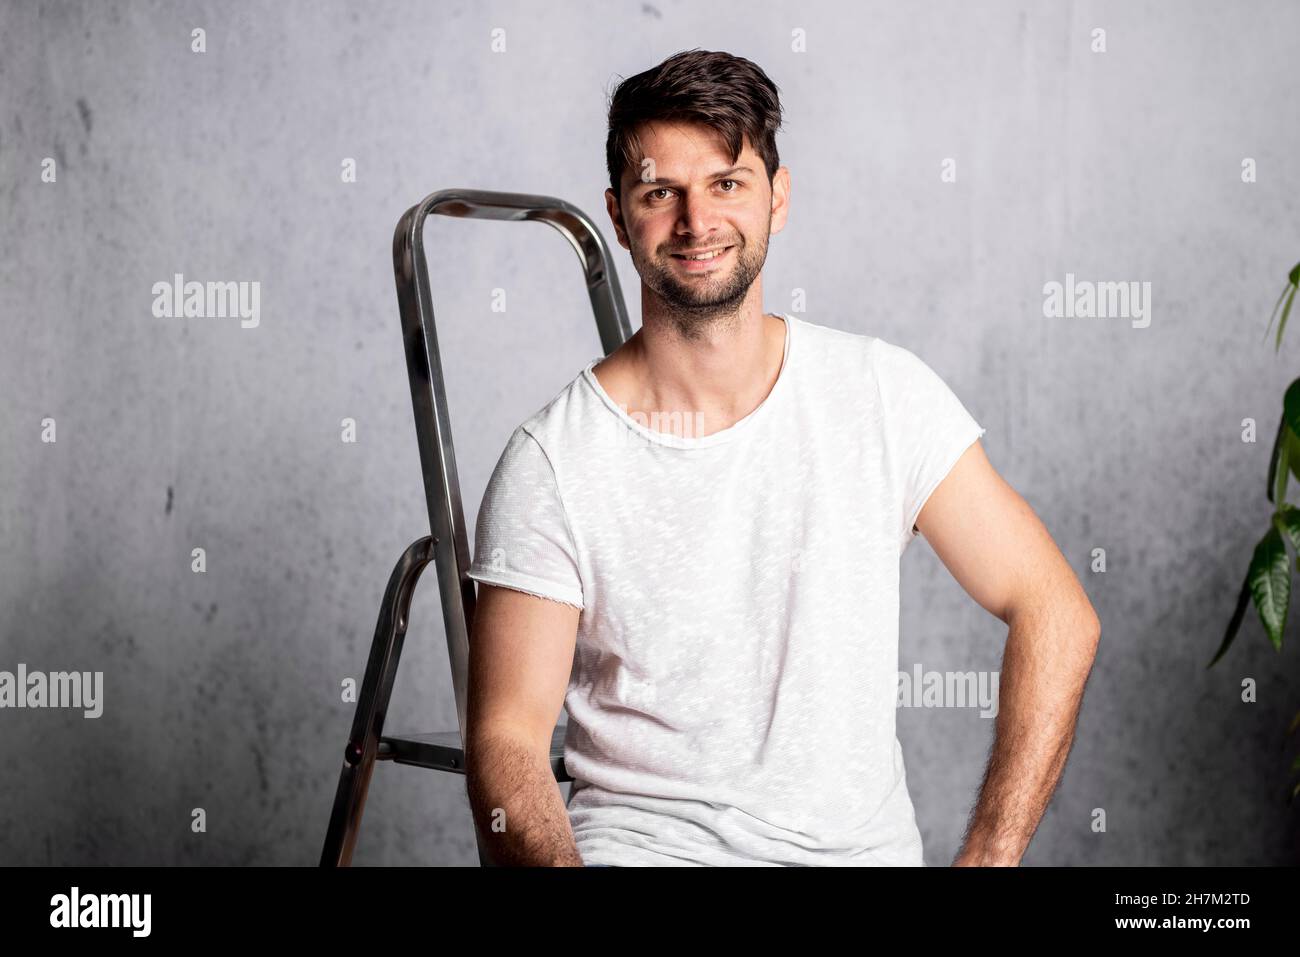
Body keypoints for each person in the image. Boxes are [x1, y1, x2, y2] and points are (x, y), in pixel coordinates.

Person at [462, 49, 1100, 867]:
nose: (697, 223)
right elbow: (508, 742)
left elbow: (1055, 608)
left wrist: (989, 852)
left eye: (727, 183)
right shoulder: (552, 460)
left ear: (778, 197)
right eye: (661, 193)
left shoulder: (881, 394)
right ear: (619, 218)